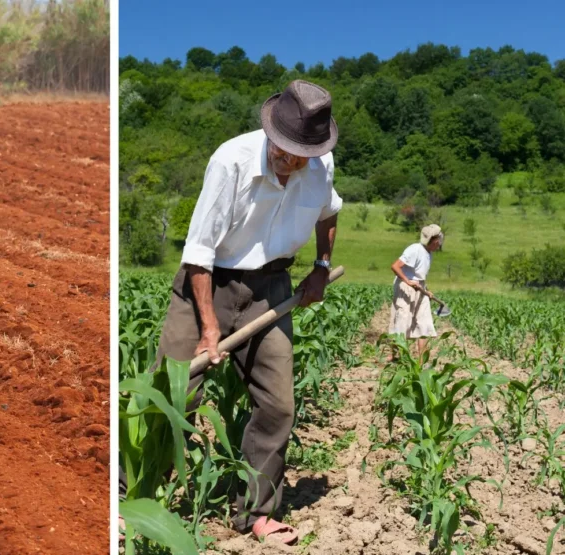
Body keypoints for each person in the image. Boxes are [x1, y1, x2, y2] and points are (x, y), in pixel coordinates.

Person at [120, 80, 342, 546]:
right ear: (271, 134)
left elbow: (328, 212)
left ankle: (256, 514)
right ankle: (129, 498)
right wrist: (209, 326)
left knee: (279, 405)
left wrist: (321, 266)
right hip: (209, 283)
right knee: (174, 395)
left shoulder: (320, 167)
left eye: (302, 152)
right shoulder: (231, 161)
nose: (292, 161)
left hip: (272, 289)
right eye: (284, 150)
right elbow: (198, 252)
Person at [389, 224, 443, 357]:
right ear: (434, 240)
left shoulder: (429, 254)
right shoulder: (414, 249)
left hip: (420, 288)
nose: (440, 243)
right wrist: (407, 281)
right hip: (405, 288)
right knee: (402, 322)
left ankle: (421, 363)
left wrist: (427, 290)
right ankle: (395, 356)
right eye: (439, 240)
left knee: (424, 324)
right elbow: (395, 267)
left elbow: (420, 276)